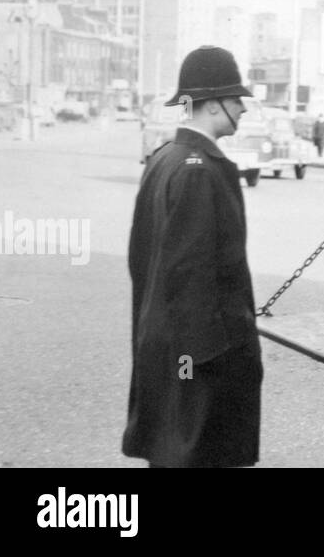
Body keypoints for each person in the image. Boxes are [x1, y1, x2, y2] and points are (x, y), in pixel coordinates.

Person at [122, 46, 263, 468]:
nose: (243, 107)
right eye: (236, 98)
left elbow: (140, 258)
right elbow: (191, 272)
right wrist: (205, 363)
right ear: (214, 103)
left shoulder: (166, 158)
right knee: (196, 455)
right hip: (199, 355)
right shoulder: (200, 168)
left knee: (171, 452)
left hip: (165, 342)